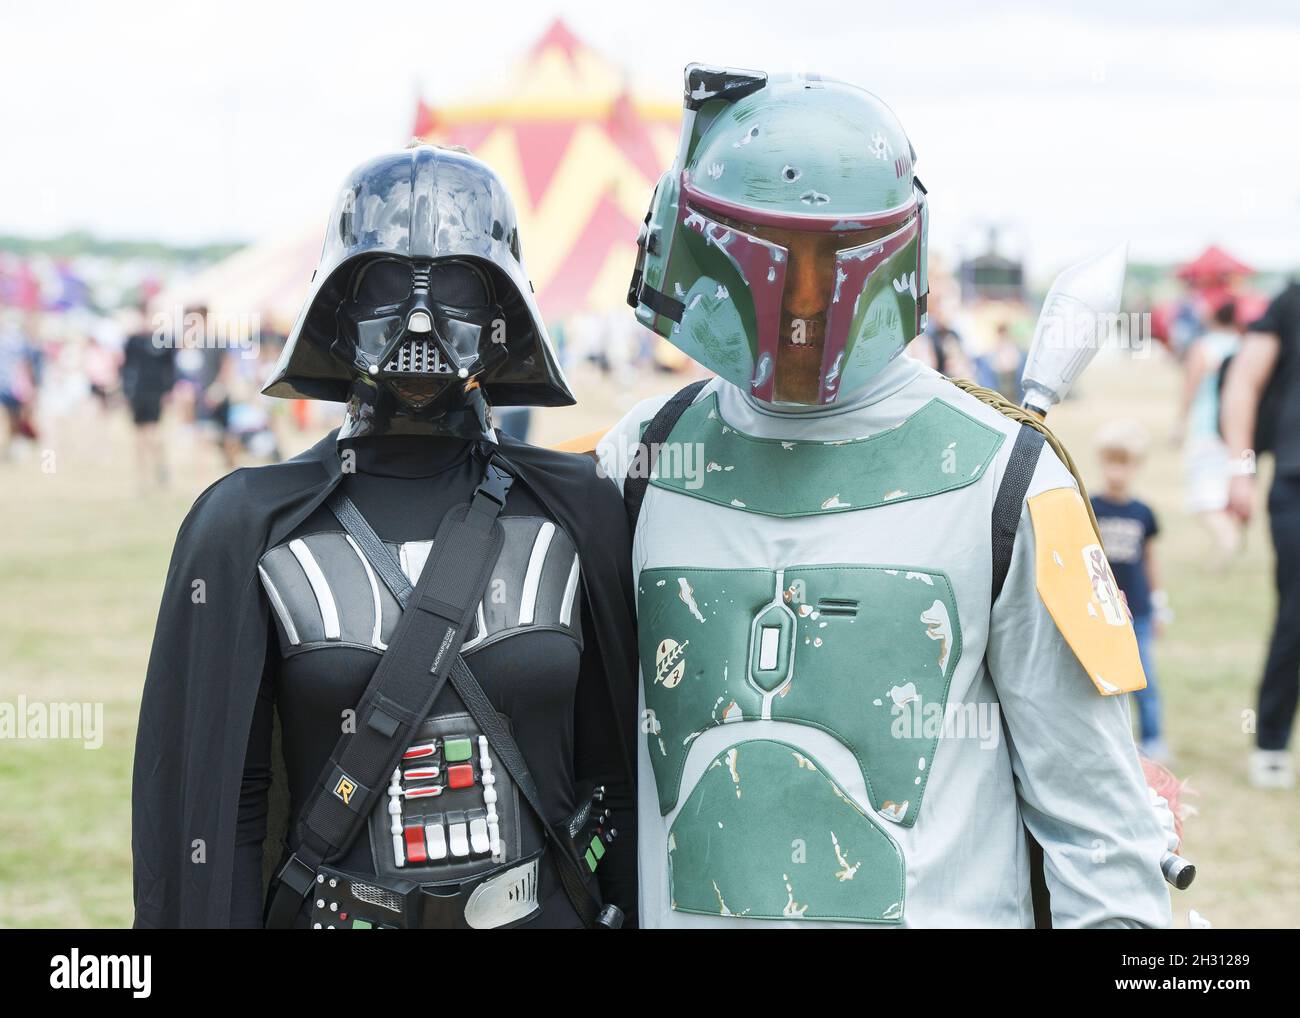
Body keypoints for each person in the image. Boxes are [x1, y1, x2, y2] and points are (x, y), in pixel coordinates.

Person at [597, 66, 1174, 927]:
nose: (799, 300)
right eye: (774, 256)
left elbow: (1098, 828)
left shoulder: (1007, 479)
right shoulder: (638, 461)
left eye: (828, 260)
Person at [132, 145, 639, 928]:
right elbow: (216, 809)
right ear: (338, 309)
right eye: (386, 285)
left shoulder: (578, 509)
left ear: (502, 315)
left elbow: (620, 772)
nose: (420, 319)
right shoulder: (249, 525)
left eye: (459, 287)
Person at [1222, 278, 1300, 789]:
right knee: (1296, 615)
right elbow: (1244, 381)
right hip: (1296, 481)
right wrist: (1241, 468)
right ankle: (1270, 741)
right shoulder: (1291, 301)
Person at [1091, 421, 1169, 762]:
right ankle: (1108, 740)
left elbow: (1150, 559)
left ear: (1136, 466)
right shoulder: (1090, 506)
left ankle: (1153, 739)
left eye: (1124, 463)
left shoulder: (1143, 513)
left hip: (1137, 609)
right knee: (1103, 679)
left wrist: (1158, 604)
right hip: (1100, 610)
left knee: (1144, 678)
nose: (1116, 471)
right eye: (1110, 461)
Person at [1180, 301, 1242, 559]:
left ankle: (1229, 539)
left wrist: (1179, 421)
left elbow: (1190, 388)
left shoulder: (1203, 347)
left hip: (1206, 429)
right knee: (1231, 489)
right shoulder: (1244, 345)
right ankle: (1228, 541)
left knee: (1203, 498)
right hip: (1240, 432)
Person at [119, 306, 175, 488]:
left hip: (155, 393)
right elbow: (125, 368)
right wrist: (126, 392)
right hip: (137, 393)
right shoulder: (132, 341)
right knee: (138, 438)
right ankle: (142, 479)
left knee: (154, 435)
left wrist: (168, 391)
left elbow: (170, 369)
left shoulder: (163, 341)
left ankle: (161, 469)